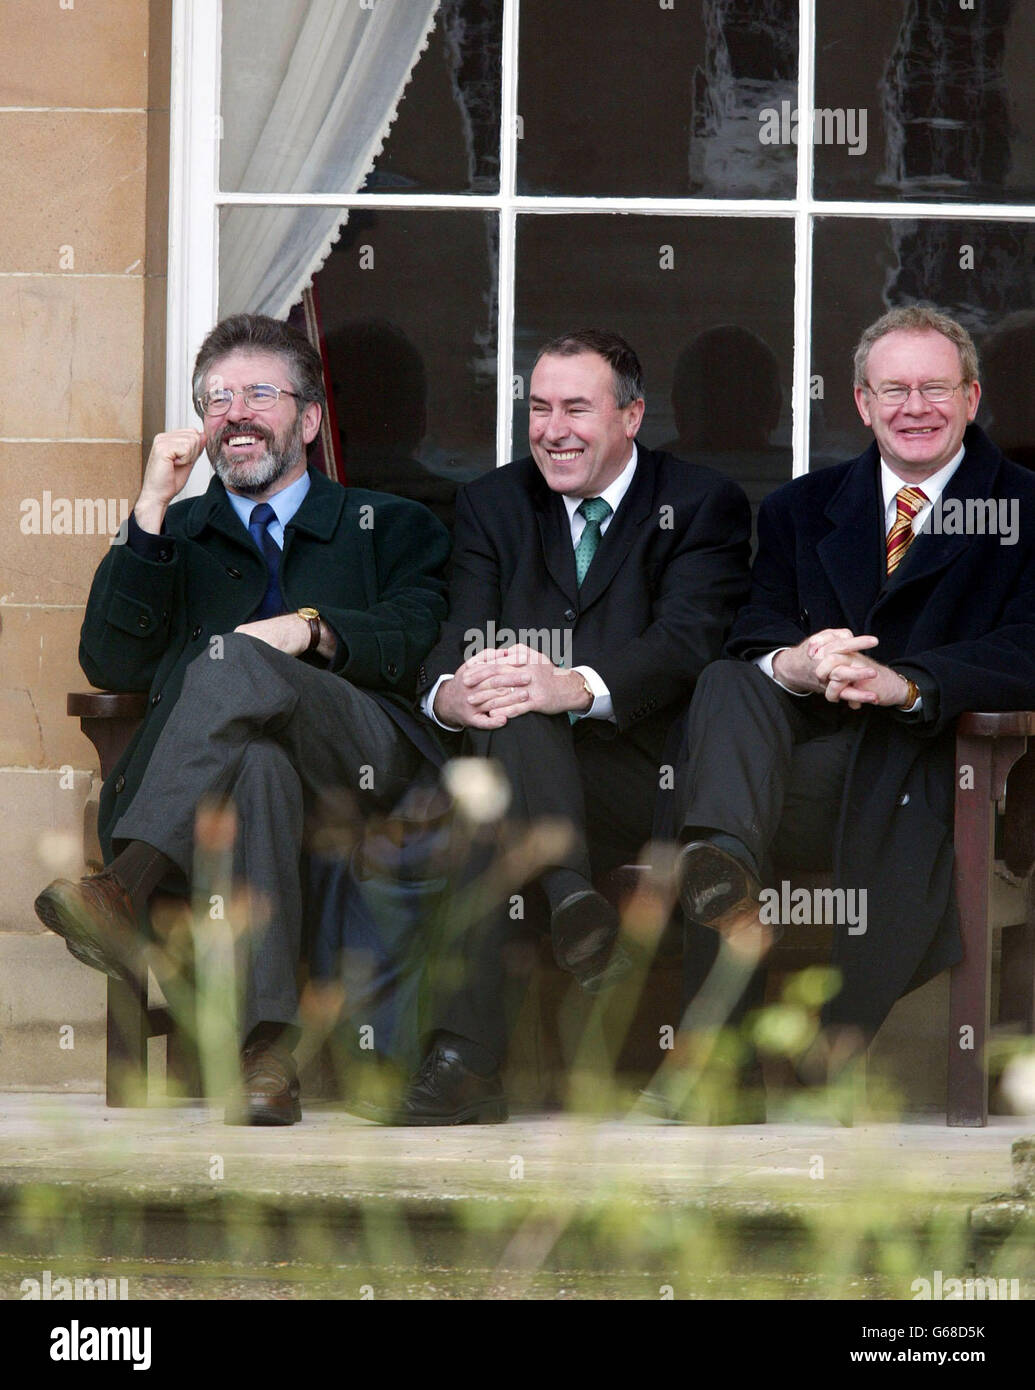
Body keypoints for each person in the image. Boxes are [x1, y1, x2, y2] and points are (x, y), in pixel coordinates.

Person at [34, 313, 450, 1127]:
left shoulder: (391, 522)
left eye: (261, 391)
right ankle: (267, 1060)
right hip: (233, 797)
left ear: (310, 418)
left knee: (231, 658)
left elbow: (418, 633)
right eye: (217, 398)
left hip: (359, 761)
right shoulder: (177, 534)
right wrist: (150, 508)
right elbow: (111, 666)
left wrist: (310, 629)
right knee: (257, 765)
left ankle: (126, 883)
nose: (237, 412)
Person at [374, 328, 752, 1125]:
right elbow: (459, 636)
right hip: (525, 769)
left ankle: (468, 1061)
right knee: (506, 718)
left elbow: (688, 645)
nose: (553, 429)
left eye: (577, 408)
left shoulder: (699, 502)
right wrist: (450, 694)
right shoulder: (492, 503)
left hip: (647, 782)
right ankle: (570, 895)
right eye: (539, 408)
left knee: (510, 742)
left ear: (631, 416)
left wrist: (570, 685)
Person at [673, 304, 1035, 1079]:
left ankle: (722, 1066)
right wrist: (797, 662)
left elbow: (1028, 644)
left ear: (971, 400)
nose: (914, 408)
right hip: (796, 762)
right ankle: (723, 865)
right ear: (861, 402)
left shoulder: (1025, 508)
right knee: (729, 678)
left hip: (927, 768)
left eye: (934, 389)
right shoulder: (799, 508)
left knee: (710, 800)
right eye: (892, 390)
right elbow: (752, 627)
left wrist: (904, 684)